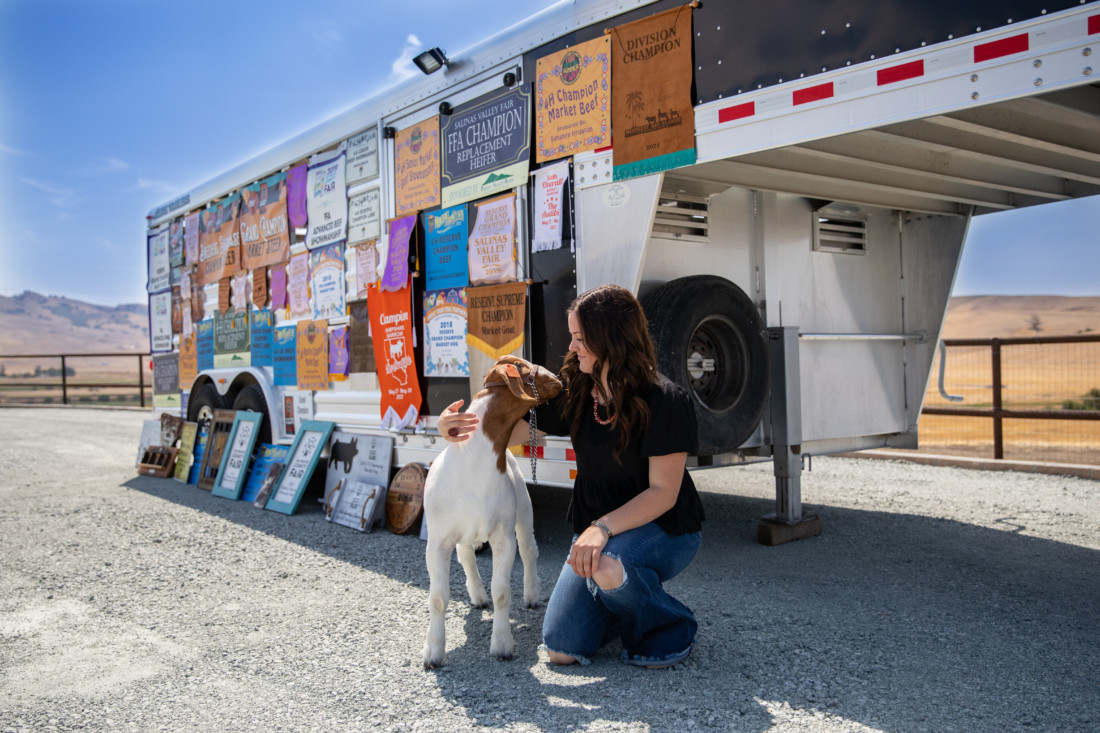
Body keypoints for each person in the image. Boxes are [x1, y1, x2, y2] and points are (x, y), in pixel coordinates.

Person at [437, 284, 705, 668]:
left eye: (581, 338)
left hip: (663, 528)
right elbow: (502, 435)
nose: (573, 347)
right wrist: (452, 428)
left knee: (606, 566)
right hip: (597, 533)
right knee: (562, 647)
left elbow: (664, 493)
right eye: (572, 337)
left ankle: (671, 623)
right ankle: (621, 601)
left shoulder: (665, 400)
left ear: (611, 338)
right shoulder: (579, 391)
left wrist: (600, 530)